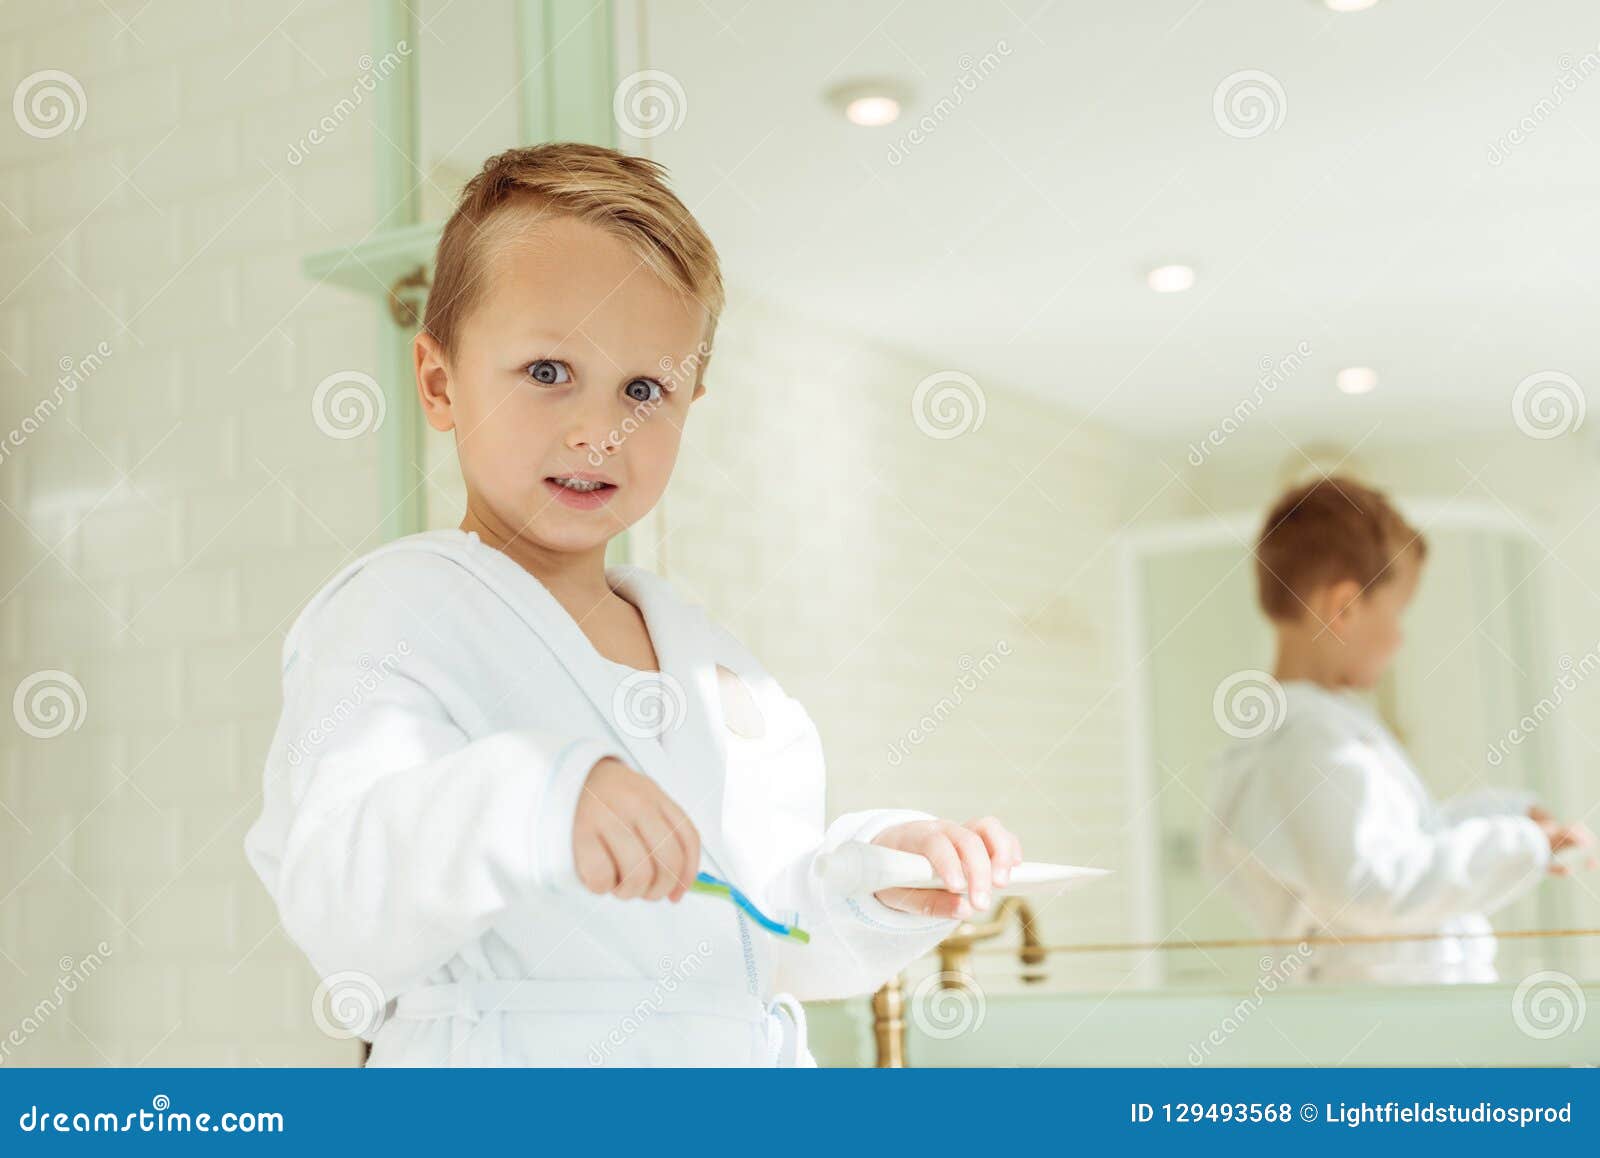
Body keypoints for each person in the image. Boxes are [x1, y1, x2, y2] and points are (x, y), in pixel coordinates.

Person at [244, 143, 1022, 1065]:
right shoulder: (398, 617)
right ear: (440, 383)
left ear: (692, 401)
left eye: (643, 390)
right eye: (546, 371)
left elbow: (760, 934)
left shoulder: (722, 671)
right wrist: (533, 799)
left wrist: (876, 881)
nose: (597, 430)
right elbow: (340, 894)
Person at [1204, 475, 1595, 983]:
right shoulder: (1306, 741)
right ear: (1343, 609)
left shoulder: (1317, 730)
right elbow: (1377, 888)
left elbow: (1403, 843)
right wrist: (1520, 844)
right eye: (1398, 613)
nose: (1399, 638)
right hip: (1376, 1040)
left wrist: (1509, 818)